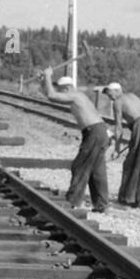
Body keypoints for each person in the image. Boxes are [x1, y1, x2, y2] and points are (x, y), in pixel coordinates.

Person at [42, 68, 110, 213]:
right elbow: (49, 93)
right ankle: (101, 204)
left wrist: (48, 75)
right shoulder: (80, 96)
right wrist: (44, 80)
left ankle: (72, 202)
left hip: (94, 133)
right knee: (97, 171)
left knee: (80, 166)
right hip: (99, 131)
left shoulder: (74, 96)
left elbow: (51, 95)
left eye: (61, 90)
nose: (60, 93)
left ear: (67, 88)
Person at [108, 82, 140, 208]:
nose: (108, 96)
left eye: (109, 92)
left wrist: (117, 149)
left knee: (132, 163)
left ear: (117, 91)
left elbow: (118, 128)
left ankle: (127, 198)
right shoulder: (132, 96)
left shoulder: (117, 102)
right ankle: (139, 198)